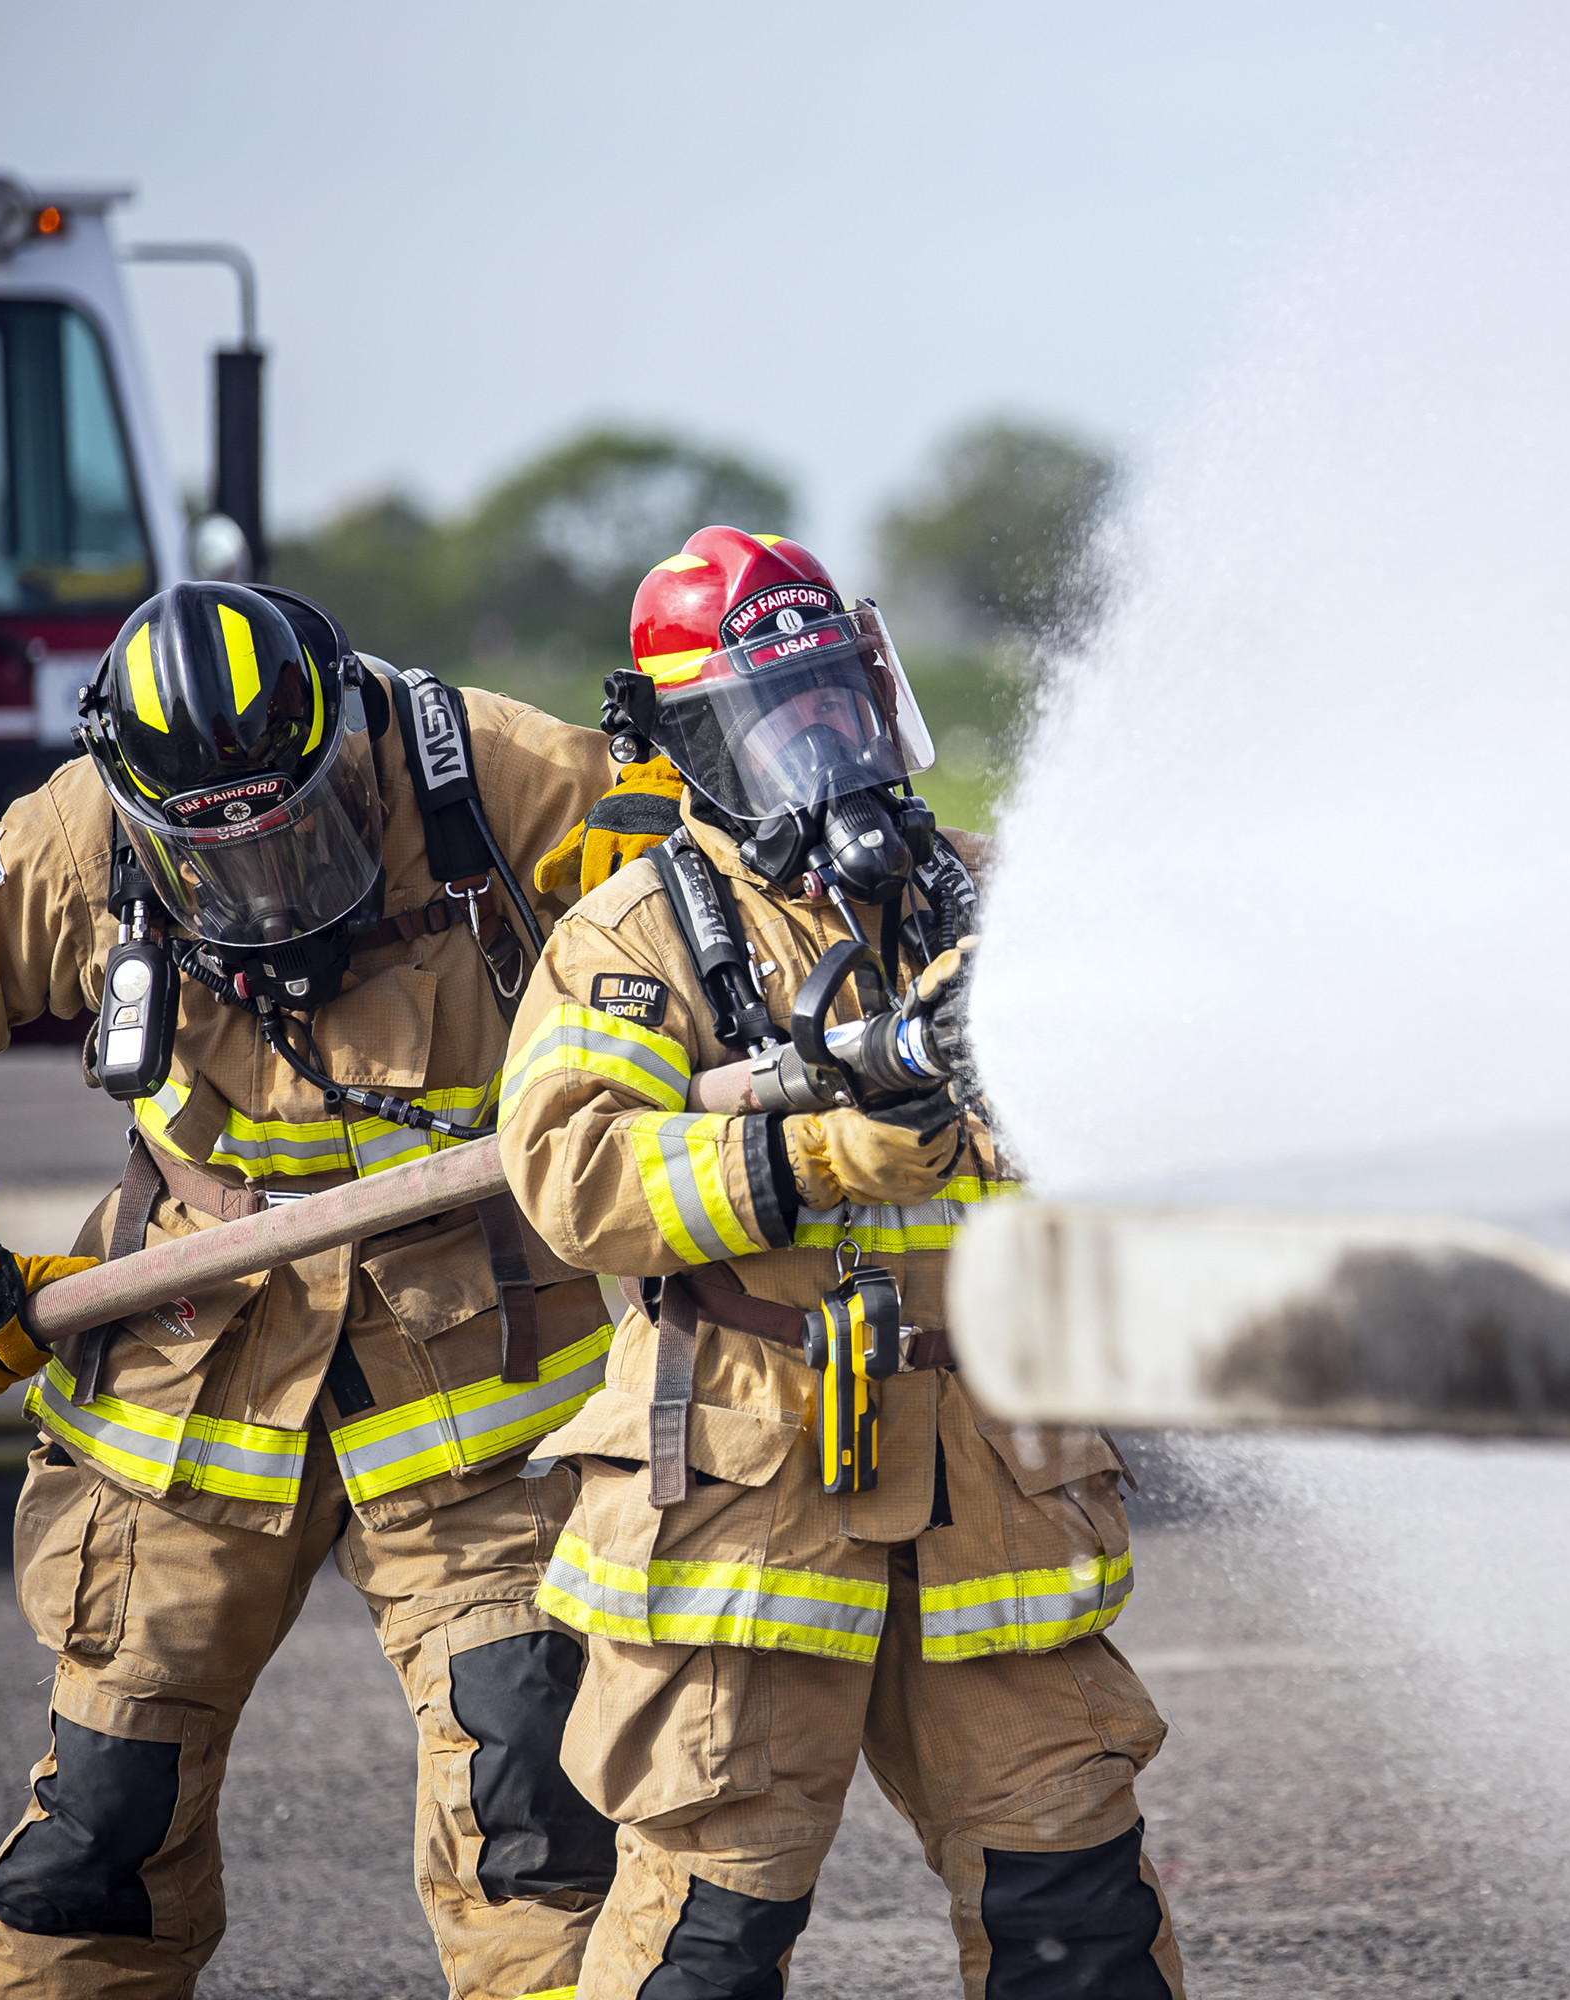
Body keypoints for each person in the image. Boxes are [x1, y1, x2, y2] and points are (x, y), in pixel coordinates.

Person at [0, 579, 634, 1998]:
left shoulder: (498, 776)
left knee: (533, 1796)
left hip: (474, 1381)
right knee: (105, 1819)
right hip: (190, 1377)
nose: (262, 878)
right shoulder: (81, 828)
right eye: (215, 855)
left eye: (297, 824)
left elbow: (703, 909)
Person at [498, 526, 1185, 1998]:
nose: (817, 748)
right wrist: (803, 1156)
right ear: (685, 748)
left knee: (1079, 1917)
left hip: (995, 1485)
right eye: (769, 719)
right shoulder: (633, 937)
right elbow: (573, 1172)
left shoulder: (993, 910)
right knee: (705, 1935)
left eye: (834, 704)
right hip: (746, 1489)